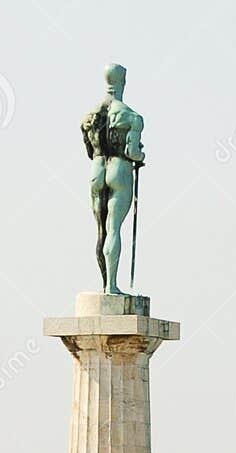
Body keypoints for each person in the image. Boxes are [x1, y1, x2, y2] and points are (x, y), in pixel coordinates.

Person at [81, 63, 144, 295]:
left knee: (101, 231)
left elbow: (89, 151)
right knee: (114, 228)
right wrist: (141, 156)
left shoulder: (89, 117)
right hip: (119, 168)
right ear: (123, 82)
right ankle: (111, 285)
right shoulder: (132, 116)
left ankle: (105, 283)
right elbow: (132, 151)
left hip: (96, 169)